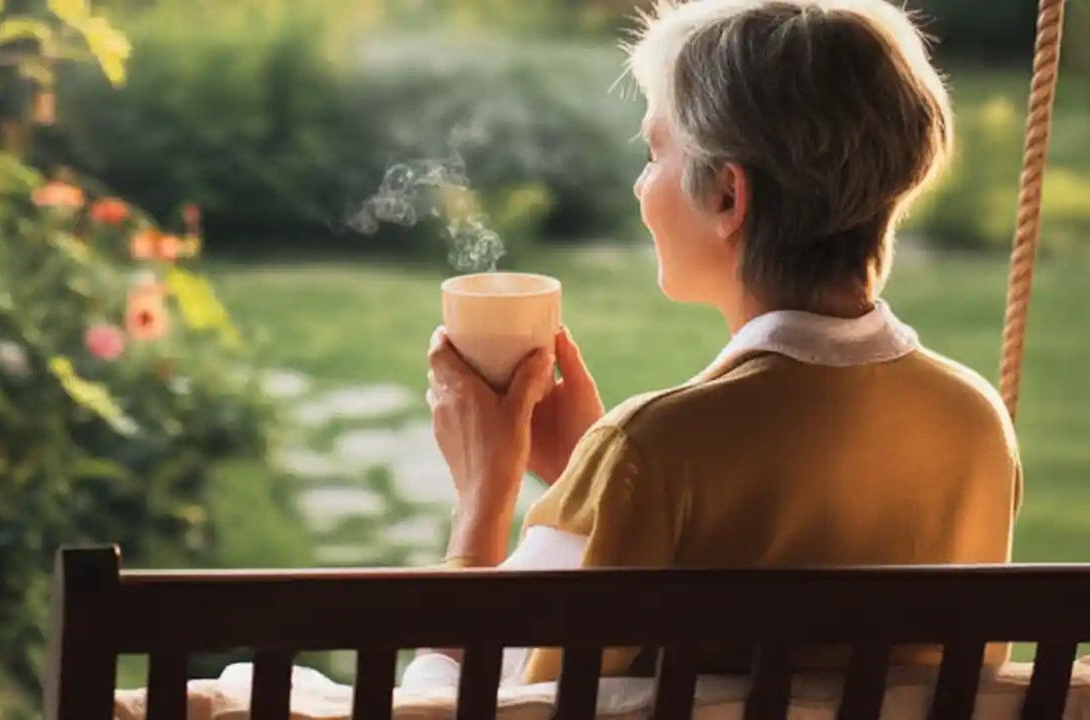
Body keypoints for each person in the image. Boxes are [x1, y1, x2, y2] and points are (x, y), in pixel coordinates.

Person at [406, 0, 1020, 688]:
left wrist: (482, 498)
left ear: (728, 196)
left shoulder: (651, 450)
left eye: (653, 153)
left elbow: (475, 705)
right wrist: (593, 478)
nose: (640, 186)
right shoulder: (975, 423)